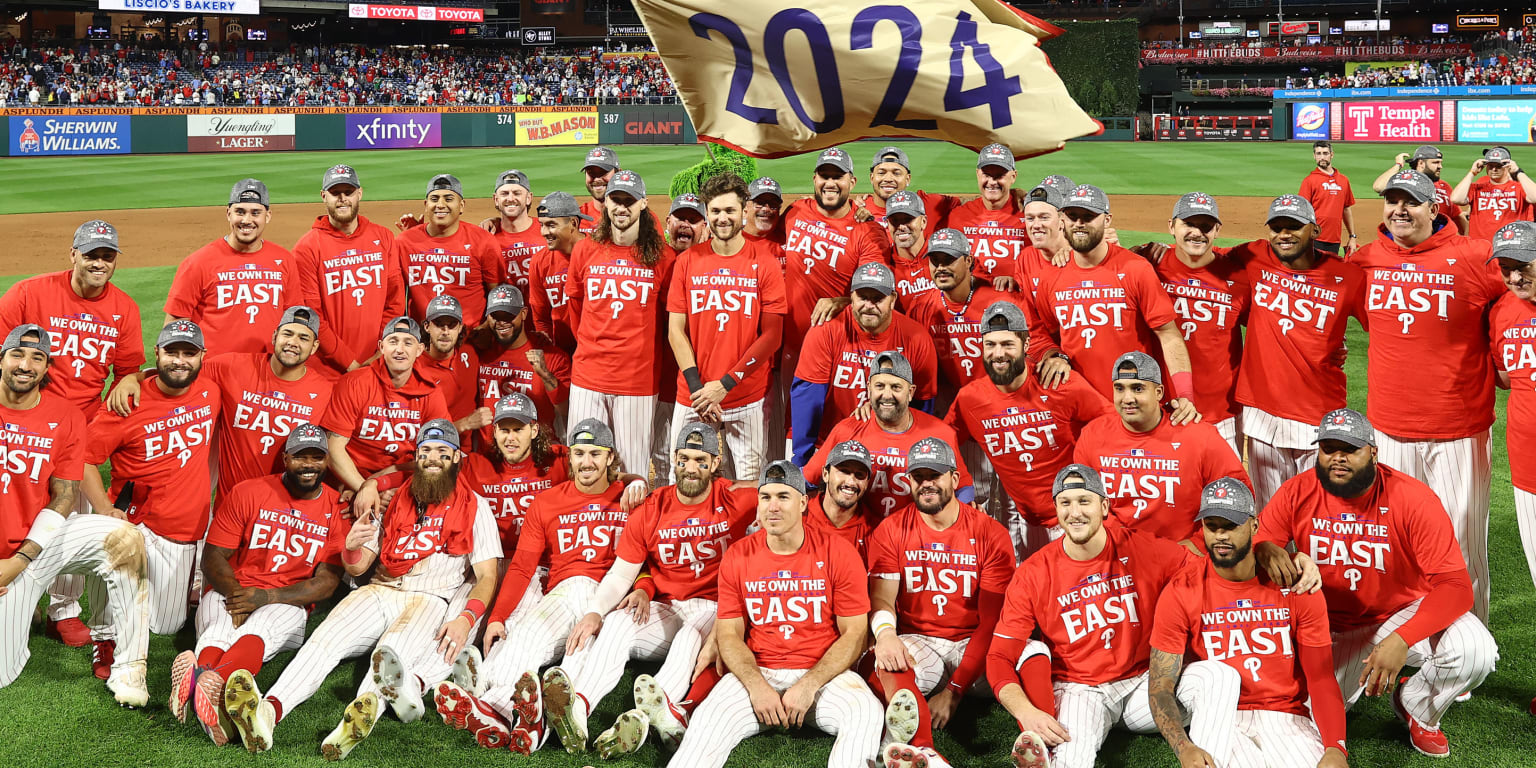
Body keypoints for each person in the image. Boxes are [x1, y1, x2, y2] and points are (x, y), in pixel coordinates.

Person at [221, 420, 501, 759]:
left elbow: (487, 575)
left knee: (389, 655)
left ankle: (352, 724)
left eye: (442, 453)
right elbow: (357, 566)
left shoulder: (475, 506)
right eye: (425, 451)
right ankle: (268, 712)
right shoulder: (396, 499)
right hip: (380, 589)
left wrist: (466, 619)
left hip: (430, 597)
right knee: (323, 642)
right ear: (417, 457)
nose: (432, 459)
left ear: (457, 458)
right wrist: (352, 547)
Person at [1255, 408, 1498, 758]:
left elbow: (1455, 585)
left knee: (1474, 650)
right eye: (1328, 448)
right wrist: (1266, 549)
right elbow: (1260, 545)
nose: (1337, 458)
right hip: (1327, 628)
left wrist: (1402, 639)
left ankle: (1416, 706)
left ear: (1373, 452)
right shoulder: (1298, 491)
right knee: (1300, 721)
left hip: (1396, 616)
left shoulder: (1411, 498)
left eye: (1349, 449)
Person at [986, 464, 1240, 768]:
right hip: (1083, 691)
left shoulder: (1142, 547)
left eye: (1084, 501)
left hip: (1146, 686)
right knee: (1071, 760)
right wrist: (1025, 711)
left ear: (1104, 506)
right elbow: (999, 657)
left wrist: (1266, 553)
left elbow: (1207, 572)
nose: (1075, 512)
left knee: (1219, 676)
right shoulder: (1033, 573)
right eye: (1066, 503)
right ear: (1056, 509)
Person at [539, 423, 758, 758]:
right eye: (683, 458)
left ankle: (647, 715)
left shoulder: (737, 498)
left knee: (691, 638)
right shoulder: (652, 507)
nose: (690, 468)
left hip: (713, 608)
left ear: (715, 463)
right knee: (618, 622)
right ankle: (579, 708)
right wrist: (596, 612)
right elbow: (621, 574)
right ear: (673, 459)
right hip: (667, 607)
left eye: (700, 460)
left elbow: (787, 491)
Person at [1352, 169, 1505, 623]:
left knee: (1459, 544)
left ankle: (1466, 649)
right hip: (1390, 429)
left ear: (1435, 209)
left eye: (1412, 202)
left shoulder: (1476, 256)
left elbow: (1524, 279)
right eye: (1392, 200)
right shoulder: (1366, 260)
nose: (1400, 209)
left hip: (1458, 431)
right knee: (1399, 543)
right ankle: (1412, 639)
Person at [668, 461, 882, 768]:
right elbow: (728, 634)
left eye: (783, 496)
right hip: (758, 671)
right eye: (765, 497)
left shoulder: (838, 552)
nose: (773, 506)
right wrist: (756, 687)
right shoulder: (738, 555)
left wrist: (809, 684)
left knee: (866, 714)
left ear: (803, 502)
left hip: (822, 675)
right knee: (705, 725)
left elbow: (855, 634)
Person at [0, 219, 144, 646]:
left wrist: (129, 379)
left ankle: (62, 608)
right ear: (73, 255)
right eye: (91, 254)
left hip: (78, 425)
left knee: (69, 513)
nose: (99, 262)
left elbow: (129, 366)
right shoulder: (29, 293)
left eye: (107, 256)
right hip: (23, 417)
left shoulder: (125, 308)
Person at [459, 419, 638, 754]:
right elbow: (523, 566)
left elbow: (649, 560)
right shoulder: (547, 502)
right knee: (526, 635)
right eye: (580, 453)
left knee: (577, 653)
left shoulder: (630, 499)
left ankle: (539, 722)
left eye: (596, 454)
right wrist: (498, 617)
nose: (587, 462)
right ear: (569, 457)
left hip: (607, 596)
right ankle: (495, 708)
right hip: (564, 588)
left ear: (611, 457)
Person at [1149, 478, 1348, 768]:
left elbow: (1320, 677)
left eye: (1230, 526)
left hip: (1288, 717)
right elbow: (1160, 687)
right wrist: (1184, 747)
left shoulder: (1296, 583)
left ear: (1254, 526)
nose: (1220, 536)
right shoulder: (1183, 589)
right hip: (1222, 715)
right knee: (1216, 675)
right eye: (1211, 526)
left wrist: (1335, 747)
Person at [0, 323, 149, 708]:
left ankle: (127, 664)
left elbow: (65, 495)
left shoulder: (65, 416)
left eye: (37, 358)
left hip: (34, 547)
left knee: (122, 537)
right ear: (2, 359)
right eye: (17, 354)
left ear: (47, 368)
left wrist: (19, 560)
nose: (25, 365)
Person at [173, 424, 347, 746]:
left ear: (326, 462)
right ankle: (213, 702)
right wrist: (241, 596)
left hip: (287, 601)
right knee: (217, 629)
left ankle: (202, 681)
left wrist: (264, 597)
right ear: (285, 458)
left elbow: (326, 583)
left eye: (316, 457)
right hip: (234, 587)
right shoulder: (249, 492)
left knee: (260, 629)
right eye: (300, 457)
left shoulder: (337, 508)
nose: (308, 465)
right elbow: (212, 558)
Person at [865, 438, 1015, 768]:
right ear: (909, 481)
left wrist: (954, 691)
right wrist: (886, 634)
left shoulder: (991, 533)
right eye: (919, 477)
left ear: (955, 479)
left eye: (935, 475)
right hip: (921, 640)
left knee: (1035, 653)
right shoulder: (892, 530)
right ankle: (924, 752)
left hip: (974, 643)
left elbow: (992, 621)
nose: (927, 484)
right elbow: (881, 598)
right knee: (886, 659)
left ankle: (1040, 743)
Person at [82, 320, 220, 650]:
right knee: (108, 543)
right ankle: (105, 636)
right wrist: (104, 509)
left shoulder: (210, 391)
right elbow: (83, 459)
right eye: (171, 352)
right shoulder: (125, 404)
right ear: (157, 353)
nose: (180, 360)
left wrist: (136, 374)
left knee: (165, 624)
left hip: (182, 529)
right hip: (134, 518)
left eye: (189, 353)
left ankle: (174, 587)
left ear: (203, 356)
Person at [1226, 195, 1367, 508]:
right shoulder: (1253, 256)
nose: (1283, 234)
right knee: (1271, 514)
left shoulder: (1348, 277)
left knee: (1318, 514)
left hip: (1318, 412)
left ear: (1315, 230)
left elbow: (1384, 327)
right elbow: (1203, 261)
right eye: (1276, 227)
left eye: (1293, 226)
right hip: (1262, 413)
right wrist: (1155, 252)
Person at [946, 302, 1111, 560]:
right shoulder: (970, 398)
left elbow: (1115, 424)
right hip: (1028, 520)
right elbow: (943, 438)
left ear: (1026, 344)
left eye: (1007, 344)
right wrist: (964, 493)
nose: (998, 354)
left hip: (1078, 515)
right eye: (990, 345)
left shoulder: (1059, 383)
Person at [1029, 184, 1197, 415]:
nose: (1079, 223)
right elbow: (1047, 334)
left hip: (1134, 406)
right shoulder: (1050, 276)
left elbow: (1168, 334)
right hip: (1078, 406)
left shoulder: (1135, 269)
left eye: (1088, 217)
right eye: (1072, 216)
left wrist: (1185, 395)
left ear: (1107, 220)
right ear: (1062, 220)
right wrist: (1054, 355)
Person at [667, 172, 787, 485]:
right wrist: (699, 390)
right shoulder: (688, 261)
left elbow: (772, 335)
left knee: (747, 487)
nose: (723, 218)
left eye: (730, 210)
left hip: (745, 397)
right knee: (679, 481)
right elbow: (675, 331)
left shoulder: (765, 262)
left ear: (744, 211)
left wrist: (725, 385)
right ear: (707, 213)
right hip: (694, 396)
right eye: (716, 211)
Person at [565, 170, 677, 478]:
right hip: (588, 376)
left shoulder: (663, 258)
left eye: (629, 200)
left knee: (633, 474)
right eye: (616, 199)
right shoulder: (585, 251)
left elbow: (669, 322)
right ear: (605, 203)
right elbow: (576, 310)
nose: (622, 207)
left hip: (636, 383)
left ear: (643, 204)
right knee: (583, 469)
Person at [1074, 352, 1249, 547]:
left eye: (1138, 388)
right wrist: (1118, 539)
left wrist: (1199, 543)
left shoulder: (1199, 436)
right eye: (1119, 388)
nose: (1127, 398)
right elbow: (1081, 499)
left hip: (1185, 555)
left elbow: (1238, 491)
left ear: (1158, 392)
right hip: (1118, 551)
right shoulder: (1093, 435)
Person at [791, 263, 938, 464]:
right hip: (829, 444)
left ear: (893, 299)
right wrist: (804, 457)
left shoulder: (917, 337)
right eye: (863, 297)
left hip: (891, 445)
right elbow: (807, 399)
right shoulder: (825, 330)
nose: (869, 305)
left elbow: (922, 405)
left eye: (878, 298)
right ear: (851, 296)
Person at [803, 351, 972, 518]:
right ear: (869, 388)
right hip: (860, 533)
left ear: (911, 392)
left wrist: (959, 521)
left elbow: (964, 488)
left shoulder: (940, 433)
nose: (887, 395)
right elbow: (808, 479)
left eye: (896, 387)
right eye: (880, 386)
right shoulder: (847, 429)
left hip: (915, 535)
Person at [1152, 193, 1247, 451]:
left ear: (1217, 230)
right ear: (1172, 226)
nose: (1197, 233)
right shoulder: (1148, 268)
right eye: (1189, 224)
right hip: (1163, 409)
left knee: (1227, 490)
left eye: (1205, 226)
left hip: (1223, 414)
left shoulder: (1238, 276)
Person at [291, 164, 407, 374]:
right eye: (335, 193)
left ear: (359, 193)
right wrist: (350, 364)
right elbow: (312, 315)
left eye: (348, 192)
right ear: (323, 196)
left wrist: (381, 351)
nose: (342, 198)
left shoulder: (383, 237)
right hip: (327, 370)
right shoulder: (307, 247)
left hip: (378, 362)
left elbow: (395, 300)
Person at [320, 316, 451, 494]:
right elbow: (334, 449)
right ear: (382, 347)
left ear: (420, 349)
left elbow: (439, 454)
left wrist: (385, 483)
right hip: (351, 480)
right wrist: (365, 490)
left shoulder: (431, 392)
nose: (400, 349)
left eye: (408, 343)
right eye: (393, 341)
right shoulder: (354, 382)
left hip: (402, 480)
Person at [164, 179, 293, 357]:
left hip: (268, 371)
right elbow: (175, 327)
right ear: (228, 213)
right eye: (240, 212)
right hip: (213, 373)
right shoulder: (198, 262)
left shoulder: (284, 259)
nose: (247, 220)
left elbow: (294, 319)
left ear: (268, 216)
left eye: (255, 213)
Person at [1490, 223, 1536, 635]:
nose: (1514, 277)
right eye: (1506, 268)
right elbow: (1505, 376)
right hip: (1528, 467)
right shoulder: (1503, 311)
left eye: (1523, 266)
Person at [396, 173, 504, 328]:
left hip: (470, 337)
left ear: (461, 206)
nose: (440, 204)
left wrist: (486, 328)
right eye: (434, 199)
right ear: (426, 205)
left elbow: (497, 294)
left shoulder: (483, 241)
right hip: (423, 338)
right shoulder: (404, 242)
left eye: (448, 199)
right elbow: (393, 296)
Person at [471, 285, 570, 442]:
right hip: (489, 459)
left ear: (523, 313)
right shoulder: (478, 353)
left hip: (537, 454)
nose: (502, 322)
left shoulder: (552, 357)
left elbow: (566, 410)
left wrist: (545, 375)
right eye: (495, 316)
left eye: (508, 316)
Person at [943, 144, 1031, 287]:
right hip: (972, 299)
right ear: (978, 174)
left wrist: (1019, 280)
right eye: (987, 174)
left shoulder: (1031, 216)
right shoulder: (958, 216)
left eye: (999, 175)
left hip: (1015, 298)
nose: (992, 182)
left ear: (1013, 176)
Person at [856, 145, 959, 248]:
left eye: (896, 173)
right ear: (871, 177)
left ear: (908, 179)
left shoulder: (924, 204)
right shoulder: (858, 210)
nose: (888, 178)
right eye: (881, 173)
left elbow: (962, 205)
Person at [527, 192, 590, 354]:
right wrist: (552, 356)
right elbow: (541, 319)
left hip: (596, 349)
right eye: (541, 224)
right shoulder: (539, 262)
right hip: (563, 350)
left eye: (551, 225)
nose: (544, 232)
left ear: (574, 223)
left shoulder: (599, 253)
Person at [803, 440, 882, 558]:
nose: (851, 482)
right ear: (825, 474)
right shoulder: (797, 517)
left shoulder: (877, 532)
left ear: (867, 483)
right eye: (843, 471)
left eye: (859, 475)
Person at [1373, 145, 1468, 235]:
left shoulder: (1444, 186)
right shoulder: (1406, 181)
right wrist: (1398, 165)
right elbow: (1379, 187)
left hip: (1440, 243)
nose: (1440, 166)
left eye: (1440, 162)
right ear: (1421, 163)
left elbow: (1457, 216)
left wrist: (1468, 237)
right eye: (1435, 162)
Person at [414, 295, 480, 422]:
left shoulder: (471, 352)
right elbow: (417, 428)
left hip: (469, 442)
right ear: (427, 327)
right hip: (435, 441)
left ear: (460, 328)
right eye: (439, 325)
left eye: (451, 325)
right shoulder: (414, 366)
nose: (445, 331)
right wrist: (465, 424)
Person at [1449, 146, 1536, 240]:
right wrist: (1472, 173)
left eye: (1498, 166)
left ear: (1508, 165)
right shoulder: (1478, 187)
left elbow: (1534, 197)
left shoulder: (1519, 187)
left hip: (1510, 245)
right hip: (1481, 245)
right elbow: (1456, 199)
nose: (1494, 169)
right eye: (1490, 166)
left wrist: (1518, 172)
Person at [488, 169, 544, 299]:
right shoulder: (488, 237)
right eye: (504, 193)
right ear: (496, 199)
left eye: (517, 193)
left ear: (529, 198)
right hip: (507, 316)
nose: (511, 198)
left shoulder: (546, 230)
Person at [1297, 141, 1357, 255]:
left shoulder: (1343, 180)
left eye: (1325, 153)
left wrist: (1352, 236)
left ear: (1332, 155)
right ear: (1314, 156)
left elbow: (1346, 209)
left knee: (1330, 271)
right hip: (1313, 237)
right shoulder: (1309, 181)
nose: (1322, 157)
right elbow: (1302, 212)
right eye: (1318, 154)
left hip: (1334, 238)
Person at [883, 192, 938, 302]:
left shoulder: (943, 256)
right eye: (895, 221)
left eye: (908, 219)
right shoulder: (884, 265)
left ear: (923, 222)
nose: (901, 226)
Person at [579, 147, 620, 233]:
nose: (597, 179)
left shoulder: (638, 217)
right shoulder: (576, 218)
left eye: (603, 172)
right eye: (591, 173)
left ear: (618, 173)